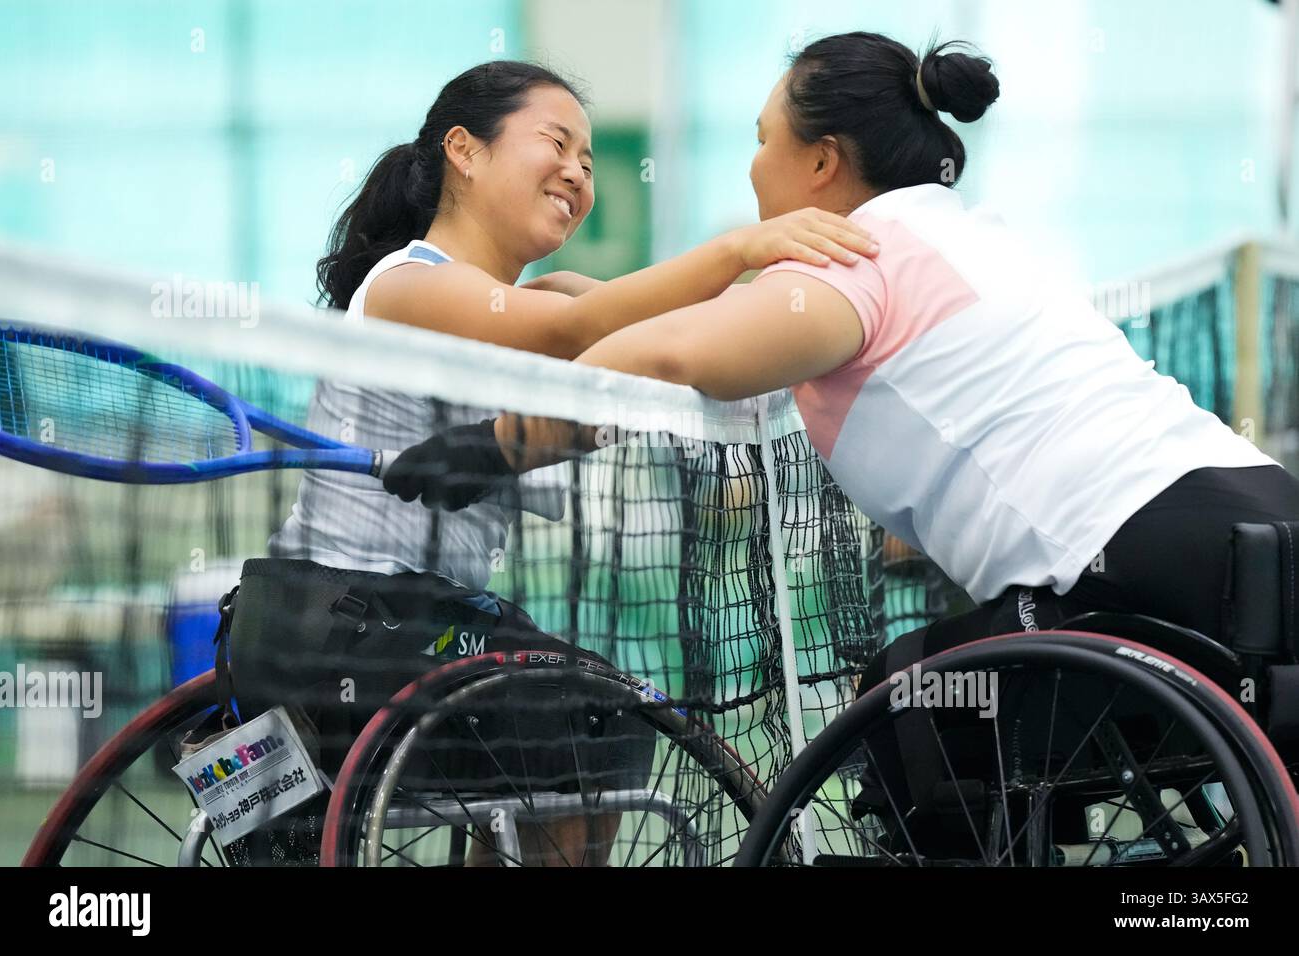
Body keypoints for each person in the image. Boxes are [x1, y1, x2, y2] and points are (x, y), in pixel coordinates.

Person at [381, 34, 1299, 838]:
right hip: (1260, 531)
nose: (750, 168)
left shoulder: (853, 259)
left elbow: (661, 359)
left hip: (1147, 566)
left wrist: (492, 447)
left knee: (904, 706)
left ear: (821, 164)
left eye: (761, 141)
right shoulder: (973, 240)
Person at [224, 59, 878, 866]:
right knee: (592, 720)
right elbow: (576, 332)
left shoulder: (541, 302)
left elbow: (627, 339)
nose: (577, 172)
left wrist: (781, 290)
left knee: (585, 724)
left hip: (412, 623)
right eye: (557, 144)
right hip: (336, 632)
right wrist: (741, 244)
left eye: (591, 161)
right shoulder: (407, 285)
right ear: (463, 151)